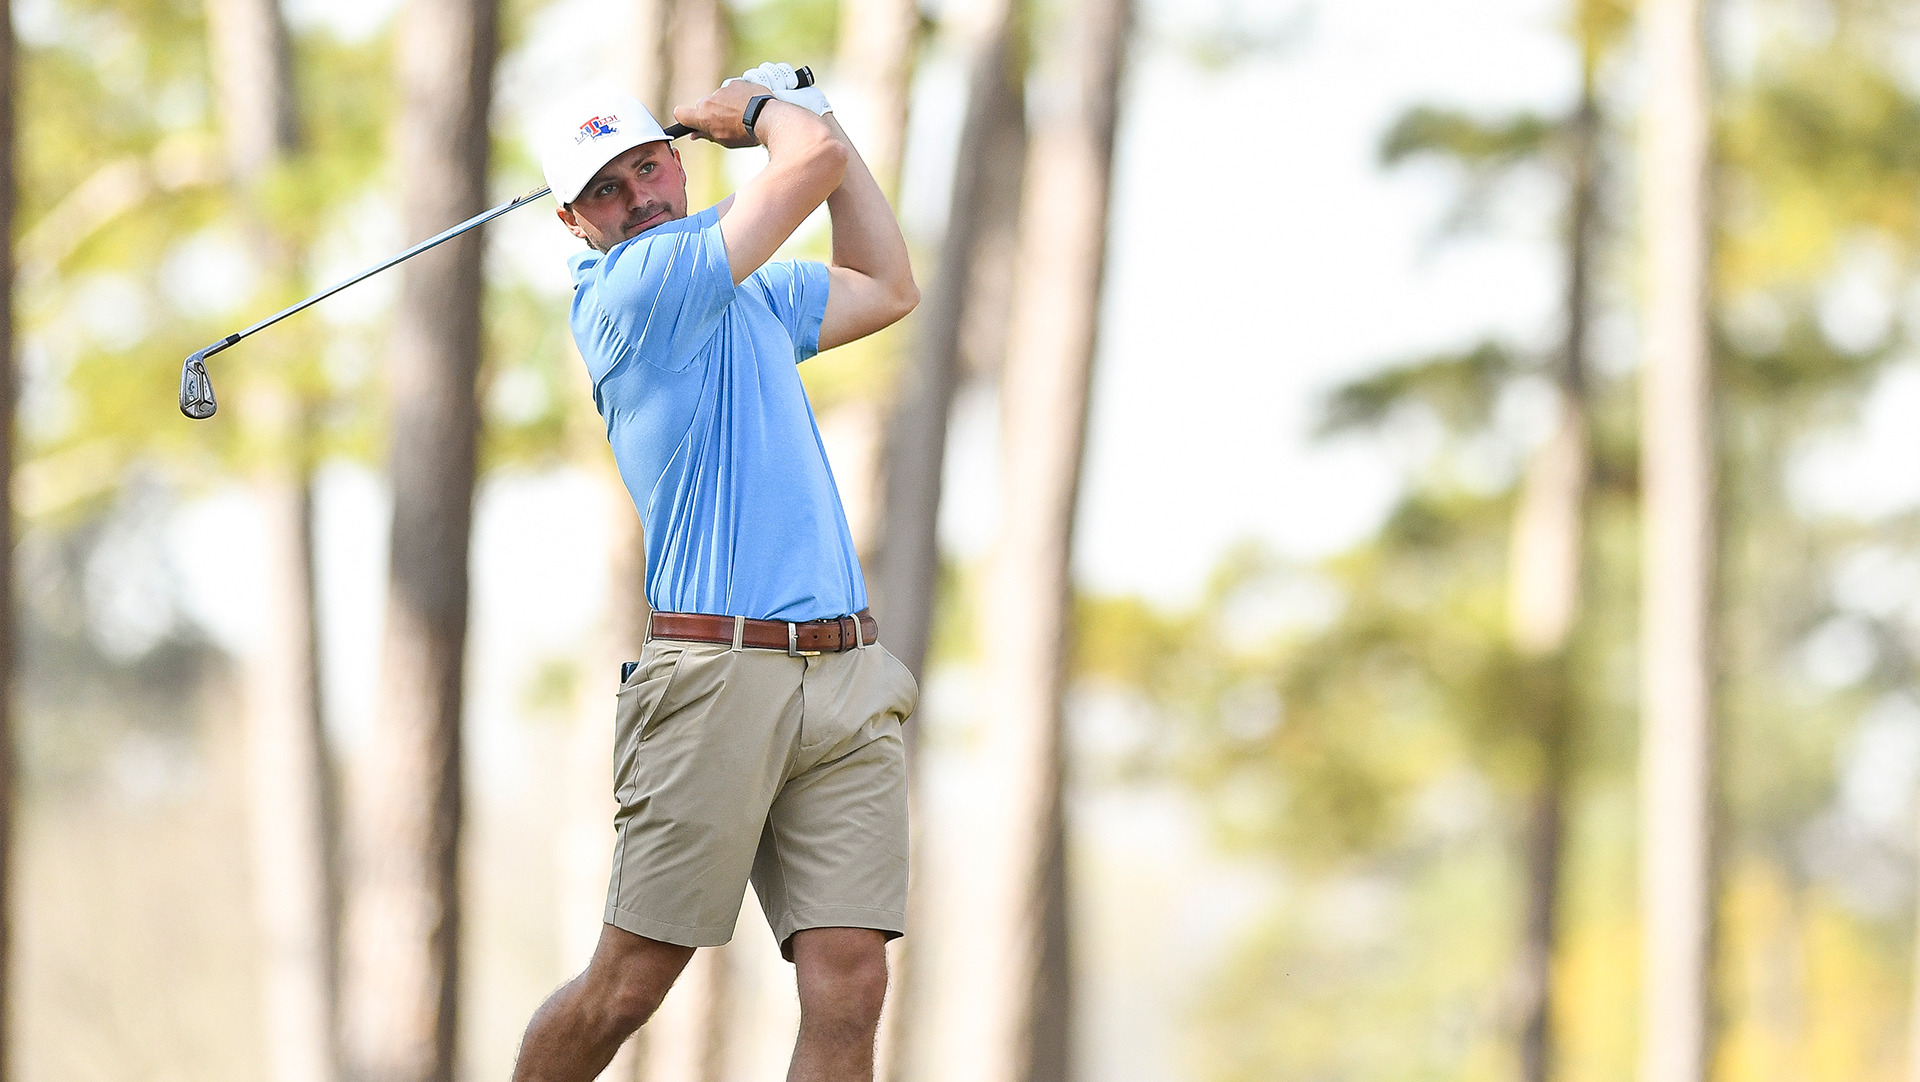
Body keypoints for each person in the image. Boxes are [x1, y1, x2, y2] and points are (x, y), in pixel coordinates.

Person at [508, 65, 920, 1082]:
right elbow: (806, 163)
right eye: (609, 187)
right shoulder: (635, 292)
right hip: (713, 677)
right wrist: (769, 115)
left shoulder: (745, 297)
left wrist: (812, 120)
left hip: (845, 670)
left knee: (850, 978)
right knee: (632, 983)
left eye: (652, 164)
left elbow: (888, 285)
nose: (644, 193)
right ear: (575, 222)